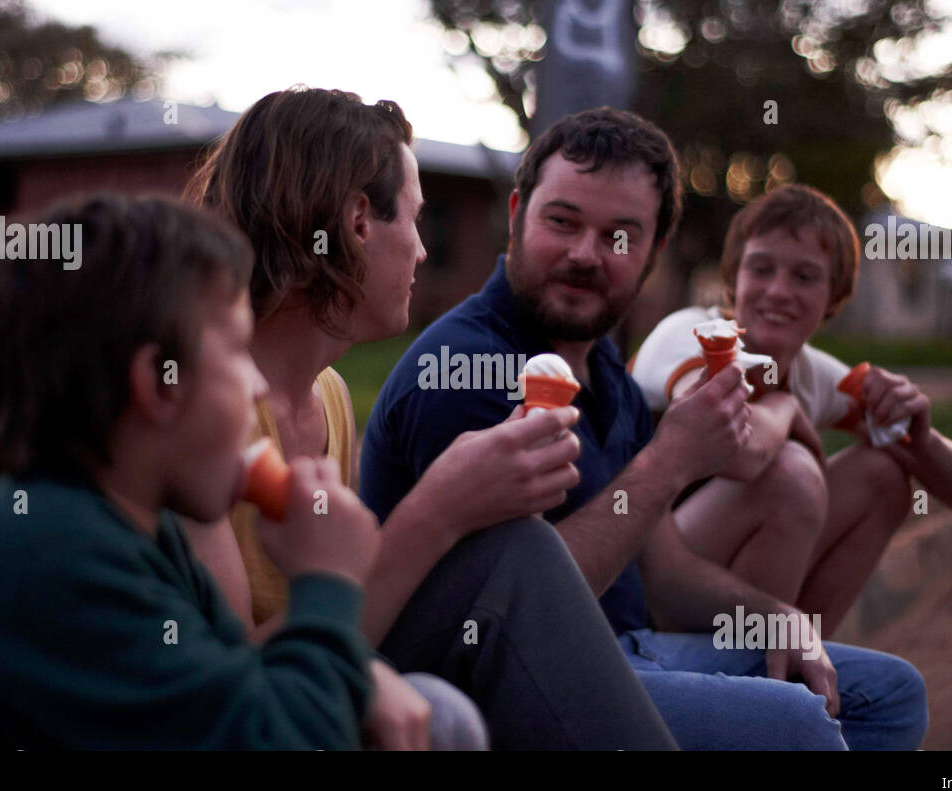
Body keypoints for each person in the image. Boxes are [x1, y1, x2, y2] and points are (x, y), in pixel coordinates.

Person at [361, 107, 930, 749]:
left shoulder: (608, 372)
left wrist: (780, 618)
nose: (585, 254)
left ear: (655, 251)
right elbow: (510, 610)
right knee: (798, 725)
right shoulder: (466, 368)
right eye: (562, 222)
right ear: (517, 215)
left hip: (630, 647)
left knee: (889, 695)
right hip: (505, 685)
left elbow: (664, 574)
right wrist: (671, 461)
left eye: (620, 236)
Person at [186, 86, 676, 750]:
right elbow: (237, 695)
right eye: (415, 220)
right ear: (358, 222)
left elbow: (343, 620)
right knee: (514, 553)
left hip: (343, 698)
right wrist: (440, 507)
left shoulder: (328, 394)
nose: (422, 251)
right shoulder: (197, 420)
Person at [0, 194, 382, 749]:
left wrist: (364, 680)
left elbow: (234, 684)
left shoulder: (145, 530)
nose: (258, 386)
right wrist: (328, 583)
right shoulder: (50, 550)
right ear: (158, 382)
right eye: (238, 350)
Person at [631, 184, 952, 634]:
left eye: (804, 277)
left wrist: (922, 438)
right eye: (761, 268)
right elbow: (738, 453)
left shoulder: (812, 373)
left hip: (712, 573)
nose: (779, 291)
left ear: (833, 298)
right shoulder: (692, 334)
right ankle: (751, 665)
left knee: (882, 474)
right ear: (734, 279)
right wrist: (783, 407)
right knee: (791, 473)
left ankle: (803, 653)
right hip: (640, 575)